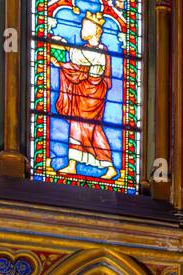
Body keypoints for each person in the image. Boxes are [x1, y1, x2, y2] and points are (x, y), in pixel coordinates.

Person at [50, 9, 119, 180]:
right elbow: (77, 69)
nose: (82, 30)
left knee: (92, 129)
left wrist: (66, 46)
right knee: (76, 125)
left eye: (85, 27)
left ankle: (109, 166)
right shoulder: (86, 49)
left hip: (93, 96)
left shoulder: (101, 50)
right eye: (82, 26)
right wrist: (60, 64)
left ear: (96, 31)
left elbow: (83, 60)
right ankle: (73, 164)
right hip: (82, 95)